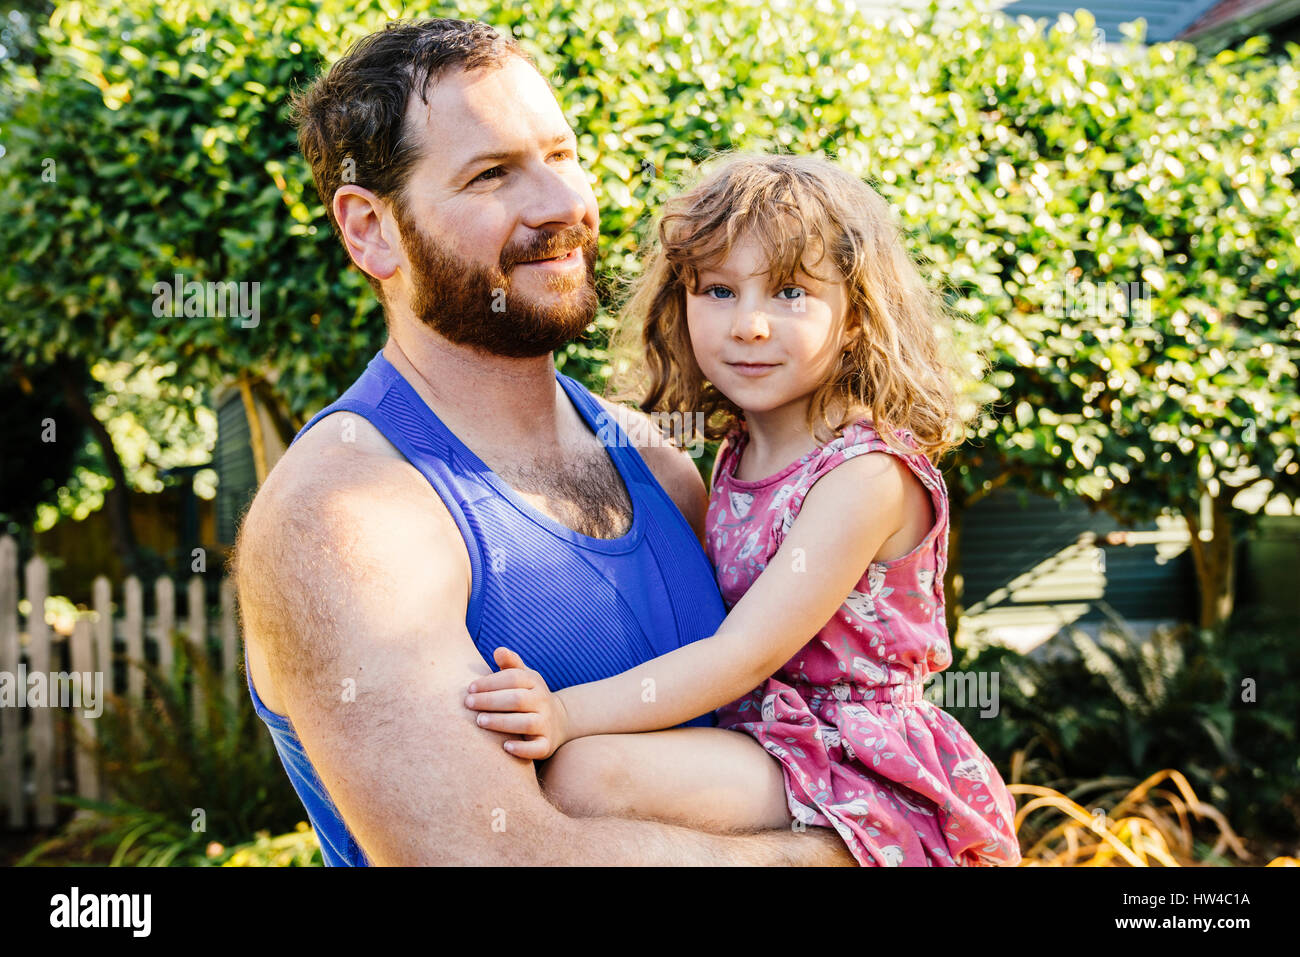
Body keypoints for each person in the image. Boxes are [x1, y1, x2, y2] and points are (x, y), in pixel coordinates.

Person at [232, 19, 855, 865]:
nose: (562, 206)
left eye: (561, 156)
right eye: (492, 174)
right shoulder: (344, 517)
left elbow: (814, 741)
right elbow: (487, 859)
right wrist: (855, 851)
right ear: (370, 229)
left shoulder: (666, 465)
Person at [464, 152, 1024, 867]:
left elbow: (741, 653)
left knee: (585, 771)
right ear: (681, 303)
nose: (750, 324)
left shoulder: (864, 474)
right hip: (771, 742)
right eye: (720, 291)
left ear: (856, 317)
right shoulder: (731, 452)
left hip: (857, 758)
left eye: (791, 292)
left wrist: (565, 710)